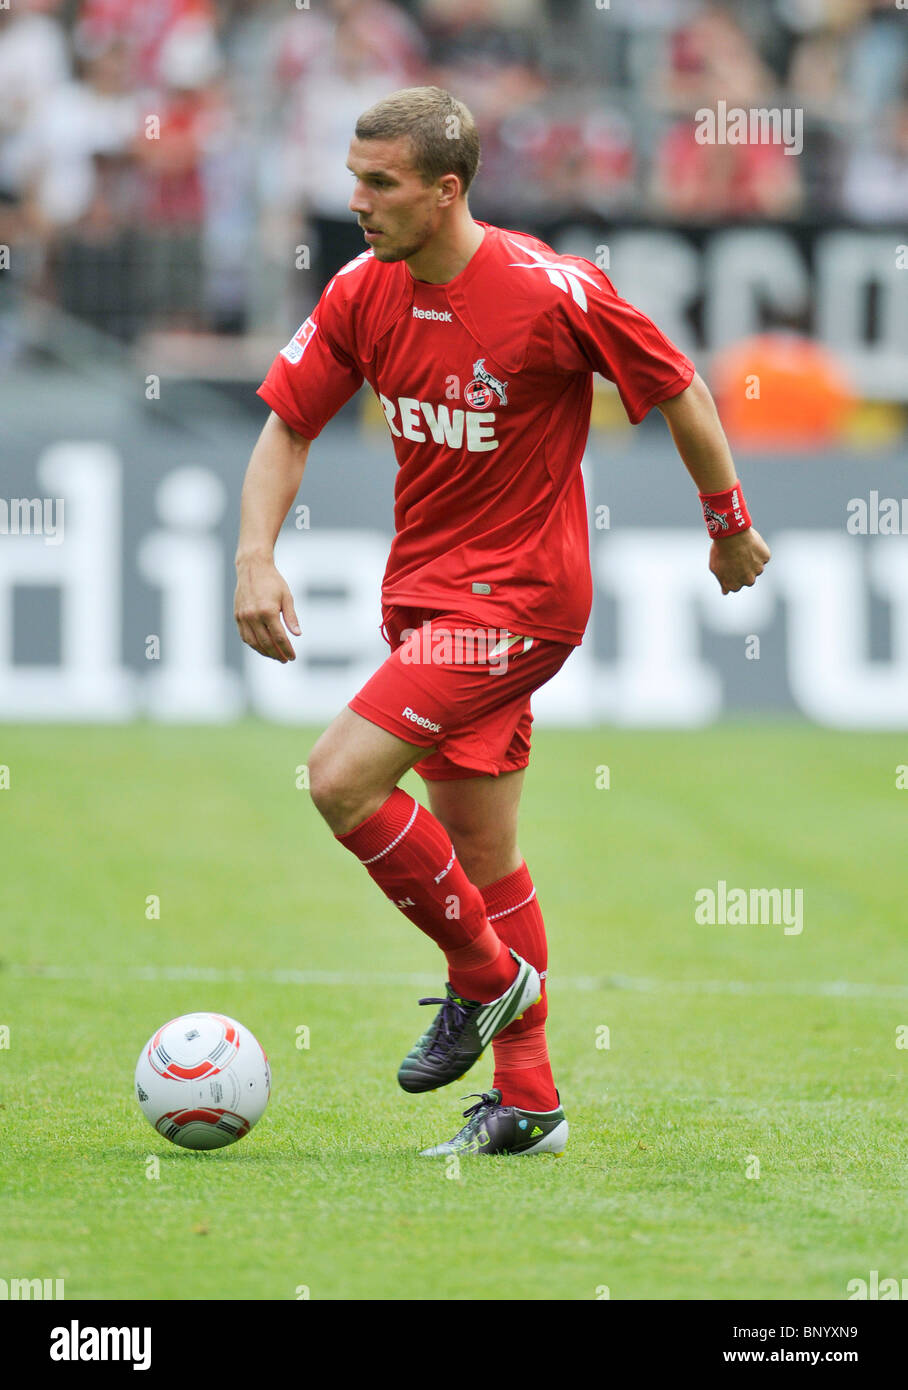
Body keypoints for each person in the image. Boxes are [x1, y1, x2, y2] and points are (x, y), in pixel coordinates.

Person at [234, 86, 770, 1158]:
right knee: (482, 851)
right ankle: (528, 1102)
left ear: (445, 189)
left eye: (379, 184)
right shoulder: (360, 291)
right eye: (354, 177)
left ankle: (482, 978)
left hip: (523, 597)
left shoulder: (548, 289)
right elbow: (289, 423)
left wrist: (727, 525)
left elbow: (674, 386)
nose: (357, 201)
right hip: (427, 596)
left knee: (340, 776)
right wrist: (254, 552)